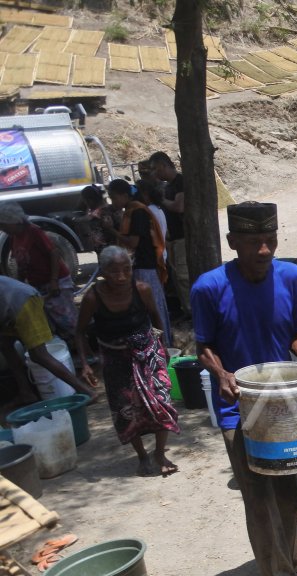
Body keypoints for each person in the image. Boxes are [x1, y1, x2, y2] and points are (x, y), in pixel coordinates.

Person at [191, 202, 297, 576]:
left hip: (283, 405)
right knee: (257, 495)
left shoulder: (290, 277)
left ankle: (289, 564)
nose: (264, 250)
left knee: (286, 490)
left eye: (270, 240)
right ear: (233, 243)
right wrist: (222, 374)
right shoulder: (209, 288)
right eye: (253, 243)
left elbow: (293, 335)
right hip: (239, 408)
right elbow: (203, 346)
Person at [75, 246, 179, 476]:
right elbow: (80, 332)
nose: (121, 276)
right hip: (115, 361)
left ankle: (160, 453)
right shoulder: (93, 298)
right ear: (102, 271)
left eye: (126, 270)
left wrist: (163, 347)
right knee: (126, 409)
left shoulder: (141, 289)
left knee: (161, 400)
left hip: (148, 353)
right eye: (114, 271)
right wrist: (84, 364)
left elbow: (155, 317)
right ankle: (142, 457)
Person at [0, 275, 94, 403]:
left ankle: (86, 391)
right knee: (6, 346)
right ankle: (26, 393)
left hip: (22, 302)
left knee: (38, 354)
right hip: (12, 303)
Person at [103, 179, 172, 346]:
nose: (112, 202)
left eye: (113, 197)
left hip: (145, 267)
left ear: (124, 195)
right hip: (142, 266)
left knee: (151, 307)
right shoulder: (131, 211)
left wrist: (111, 229)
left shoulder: (137, 212)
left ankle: (162, 345)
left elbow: (133, 243)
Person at [0, 202, 78, 343]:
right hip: (38, 284)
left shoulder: (34, 232)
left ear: (14, 221)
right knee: (49, 321)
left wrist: (54, 281)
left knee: (67, 321)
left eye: (4, 224)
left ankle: (87, 354)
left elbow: (53, 253)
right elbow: (21, 264)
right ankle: (67, 351)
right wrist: (20, 286)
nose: (2, 228)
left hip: (55, 281)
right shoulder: (14, 237)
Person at [150, 152, 190, 315]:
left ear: (163, 165)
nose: (154, 173)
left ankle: (191, 311)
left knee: (183, 276)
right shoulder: (167, 186)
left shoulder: (180, 182)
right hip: (171, 238)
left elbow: (179, 206)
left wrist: (161, 200)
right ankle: (185, 309)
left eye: (155, 168)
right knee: (176, 276)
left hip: (182, 237)